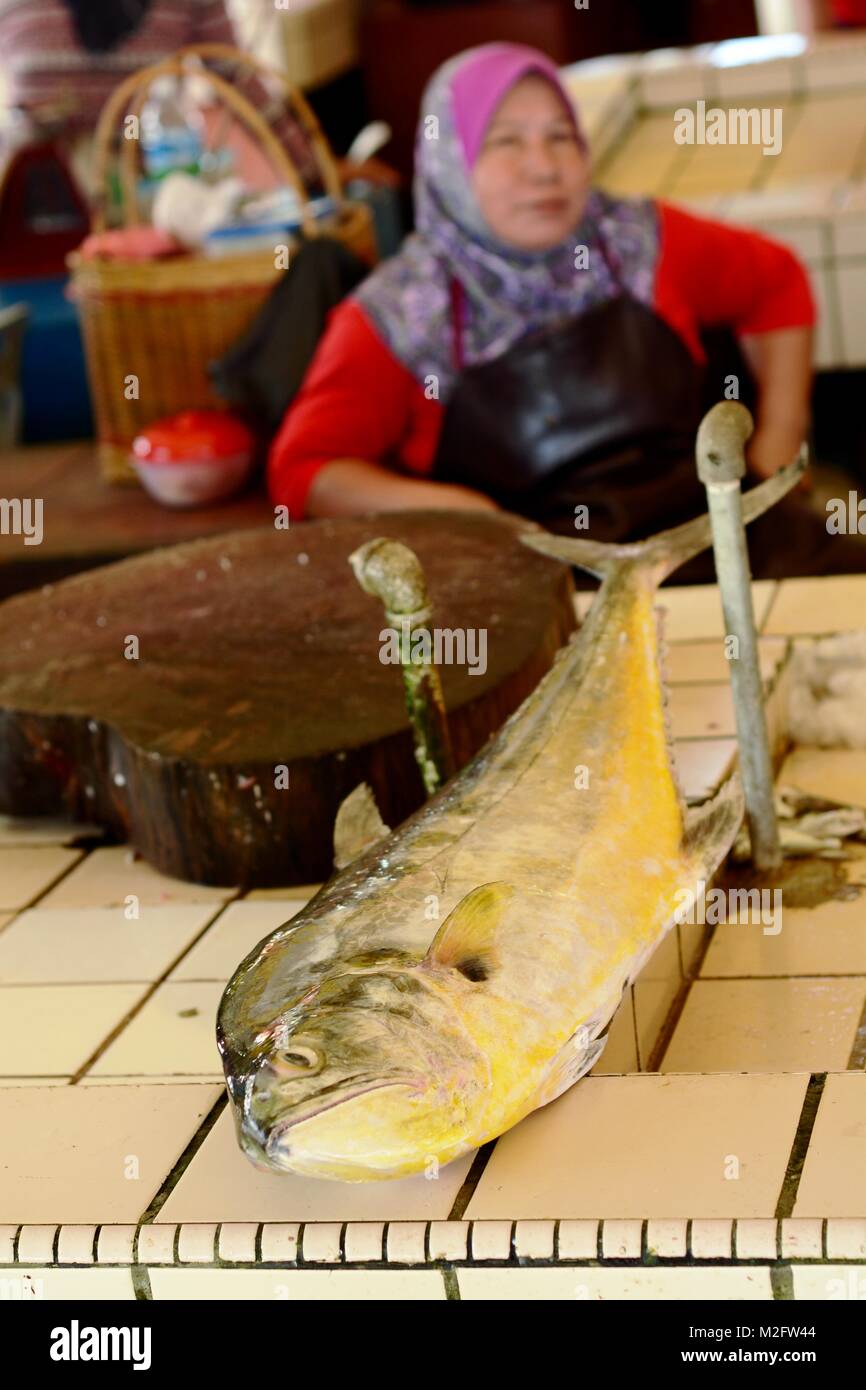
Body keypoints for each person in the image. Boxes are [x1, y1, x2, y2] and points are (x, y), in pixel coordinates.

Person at [268, 41, 865, 578]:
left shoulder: (638, 241)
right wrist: (458, 512)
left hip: (729, 551)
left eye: (561, 137)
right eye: (506, 141)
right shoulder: (400, 313)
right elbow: (304, 469)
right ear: (448, 158)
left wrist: (777, 451)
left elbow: (778, 281)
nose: (543, 167)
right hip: (555, 596)